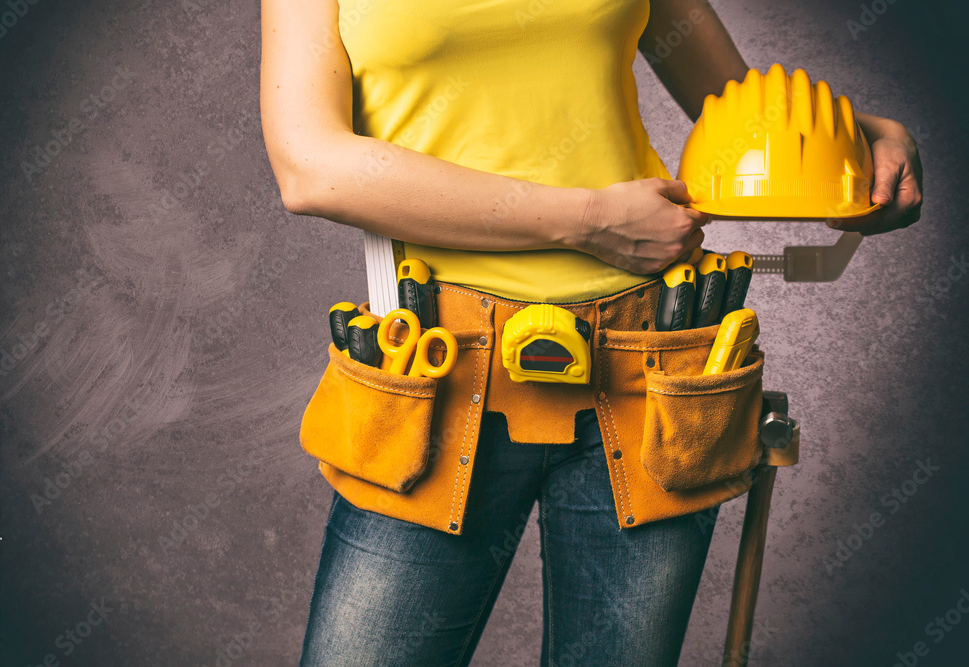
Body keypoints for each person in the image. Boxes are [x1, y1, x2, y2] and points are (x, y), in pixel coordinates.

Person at [260, 0, 923, 664]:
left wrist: (863, 136)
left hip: (649, 367)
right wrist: (584, 220)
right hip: (439, 376)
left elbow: (738, 109)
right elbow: (311, 164)